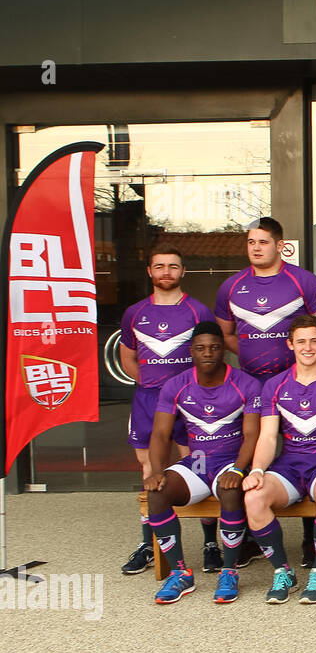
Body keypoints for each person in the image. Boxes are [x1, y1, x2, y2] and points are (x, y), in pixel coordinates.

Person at [215, 216, 316, 568]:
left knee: (308, 455)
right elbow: (227, 334)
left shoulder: (304, 281)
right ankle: (255, 538)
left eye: (263, 242)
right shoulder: (231, 286)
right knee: (261, 455)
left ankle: (309, 540)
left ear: (280, 245)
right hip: (254, 384)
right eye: (251, 242)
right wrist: (253, 358)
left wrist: (305, 361)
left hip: (300, 383)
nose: (256, 247)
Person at [144, 323, 263, 605]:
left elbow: (252, 434)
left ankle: (229, 571)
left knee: (232, 491)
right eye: (200, 348)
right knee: (157, 493)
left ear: (224, 350)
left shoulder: (246, 383)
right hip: (196, 464)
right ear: (191, 352)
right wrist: (156, 471)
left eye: (214, 347)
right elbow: (161, 433)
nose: (207, 353)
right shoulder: (176, 385)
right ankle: (180, 573)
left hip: (232, 462)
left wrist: (238, 468)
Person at [242, 316, 316, 604]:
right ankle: (283, 571)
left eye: (314, 341)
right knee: (254, 497)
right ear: (290, 344)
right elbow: (269, 437)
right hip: (289, 464)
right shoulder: (274, 385)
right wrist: (257, 470)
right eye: (301, 341)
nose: (308, 347)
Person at [119, 245, 217, 576]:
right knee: (149, 470)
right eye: (159, 266)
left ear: (183, 271)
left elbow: (210, 358)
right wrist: (153, 389)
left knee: (198, 466)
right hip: (148, 402)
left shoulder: (198, 311)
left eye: (172, 266)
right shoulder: (134, 312)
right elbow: (128, 357)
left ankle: (210, 543)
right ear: (149, 271)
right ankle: (149, 544)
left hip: (191, 404)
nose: (166, 272)